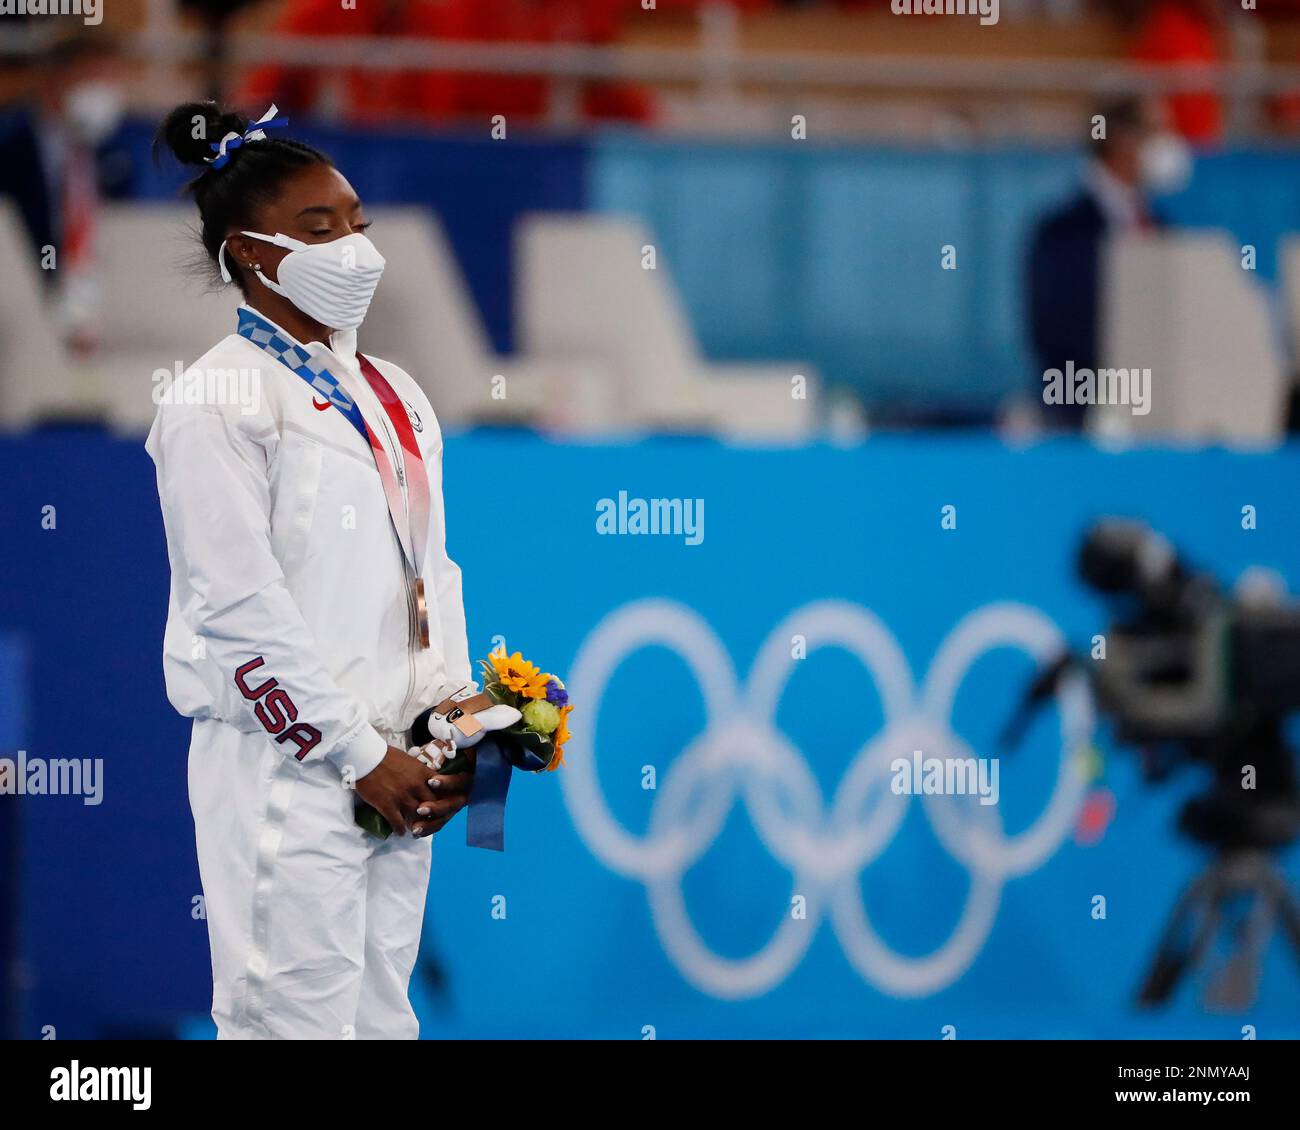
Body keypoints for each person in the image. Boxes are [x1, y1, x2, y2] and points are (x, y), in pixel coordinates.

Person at [146, 101, 516, 1039]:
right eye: (320, 228)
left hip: (399, 770)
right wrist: (353, 754)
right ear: (252, 253)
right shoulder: (215, 401)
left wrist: (451, 718)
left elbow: (432, 574)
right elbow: (234, 608)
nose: (353, 247)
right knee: (286, 1026)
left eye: (357, 225)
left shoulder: (396, 391)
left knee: (381, 1023)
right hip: (290, 769)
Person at [1023, 97, 1188, 430]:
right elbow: (1054, 327)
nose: (1167, 145)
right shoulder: (1061, 230)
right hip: (1081, 408)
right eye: (1154, 134)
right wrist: (1105, 389)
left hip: (1161, 405)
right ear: (1121, 141)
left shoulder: (1162, 229)